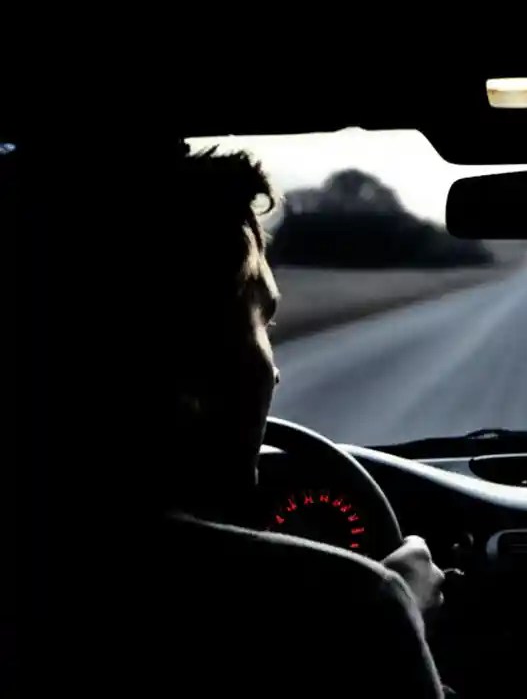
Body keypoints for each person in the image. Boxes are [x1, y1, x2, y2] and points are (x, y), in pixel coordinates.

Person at [18, 140, 449, 694]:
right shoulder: (355, 605)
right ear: (186, 368)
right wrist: (401, 607)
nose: (275, 373)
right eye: (262, 323)